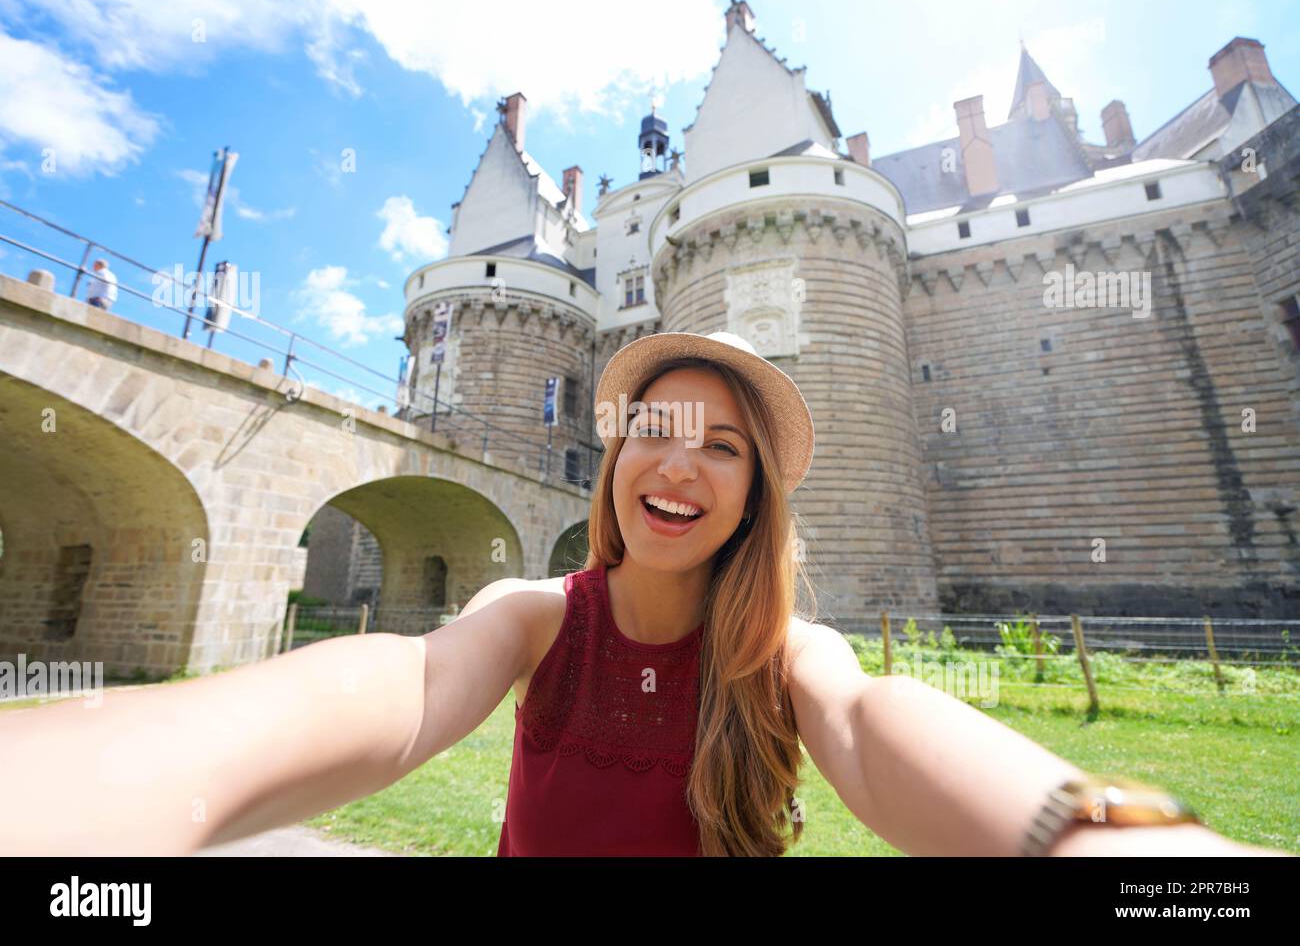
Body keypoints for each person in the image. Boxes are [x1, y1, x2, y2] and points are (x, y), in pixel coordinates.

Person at [0, 331, 1287, 857]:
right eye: (658, 432)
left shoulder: (788, 650)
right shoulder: (532, 614)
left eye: (723, 445)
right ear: (616, 460)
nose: (681, 462)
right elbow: (393, 688)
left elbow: (875, 728)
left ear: (754, 499)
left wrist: (1116, 843)